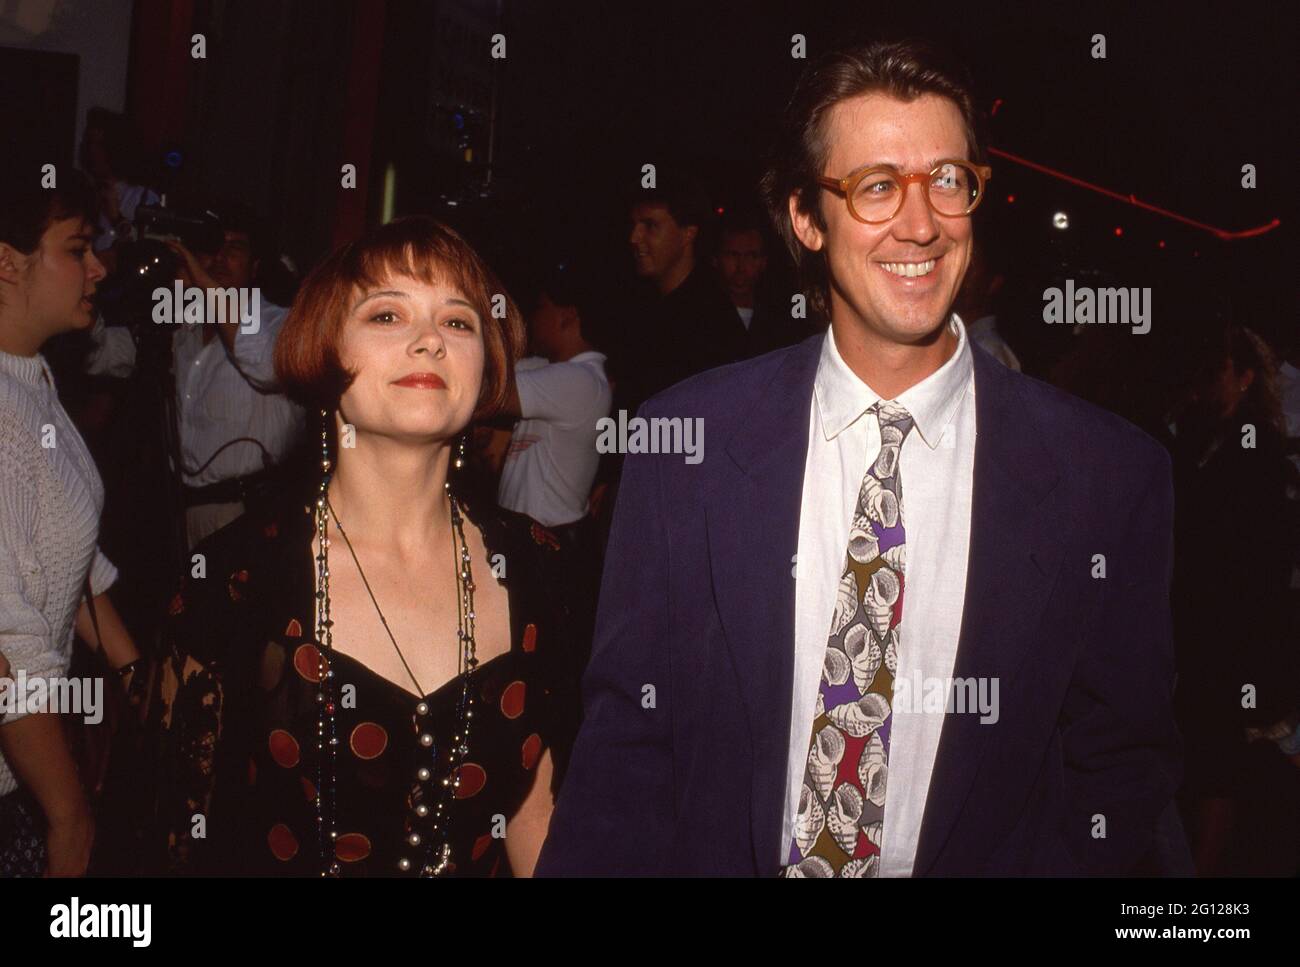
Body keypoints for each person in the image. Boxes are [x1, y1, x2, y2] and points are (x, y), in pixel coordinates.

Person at [538, 39, 1182, 876]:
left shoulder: (1107, 475)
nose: (921, 224)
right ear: (806, 218)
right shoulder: (684, 446)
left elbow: (1123, 777)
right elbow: (625, 751)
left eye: (948, 180)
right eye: (877, 186)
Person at [149, 216, 586, 877]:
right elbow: (162, 840)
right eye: (387, 315)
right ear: (324, 350)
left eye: (459, 322)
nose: (429, 341)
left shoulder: (540, 567)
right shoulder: (236, 576)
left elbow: (533, 817)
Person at [0, 164, 142, 876]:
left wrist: (140, 677)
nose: (99, 266)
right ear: (7, 260)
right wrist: (68, 811)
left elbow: (69, 549)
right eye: (76, 248)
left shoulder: (32, 376)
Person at [85, 201, 305, 547]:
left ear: (255, 266)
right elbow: (101, 356)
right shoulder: (179, 327)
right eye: (210, 249)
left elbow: (266, 366)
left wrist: (200, 283)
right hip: (184, 512)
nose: (219, 259)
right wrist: (94, 278)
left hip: (252, 512)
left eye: (234, 248)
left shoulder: (281, 322)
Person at [1169, 325, 1294, 874]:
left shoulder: (1255, 445)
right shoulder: (1203, 436)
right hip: (1202, 621)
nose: (1206, 381)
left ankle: (1207, 872)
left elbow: (1248, 548)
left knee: (1223, 746)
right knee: (1208, 744)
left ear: (1244, 377)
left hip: (1233, 625)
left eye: (1218, 370)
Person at [713, 211, 805, 358]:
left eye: (751, 256)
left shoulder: (782, 318)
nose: (741, 267)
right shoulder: (702, 320)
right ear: (716, 259)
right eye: (732, 255)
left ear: (763, 262)